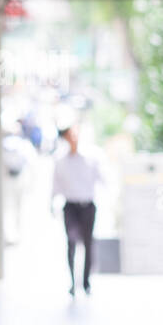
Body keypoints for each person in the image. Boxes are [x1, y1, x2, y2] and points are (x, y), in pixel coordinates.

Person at [51, 126, 103, 297]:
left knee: (88, 244)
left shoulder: (91, 157)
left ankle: (86, 282)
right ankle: (73, 282)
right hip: (70, 206)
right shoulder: (60, 160)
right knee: (71, 242)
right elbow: (55, 184)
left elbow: (102, 179)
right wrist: (51, 202)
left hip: (87, 205)